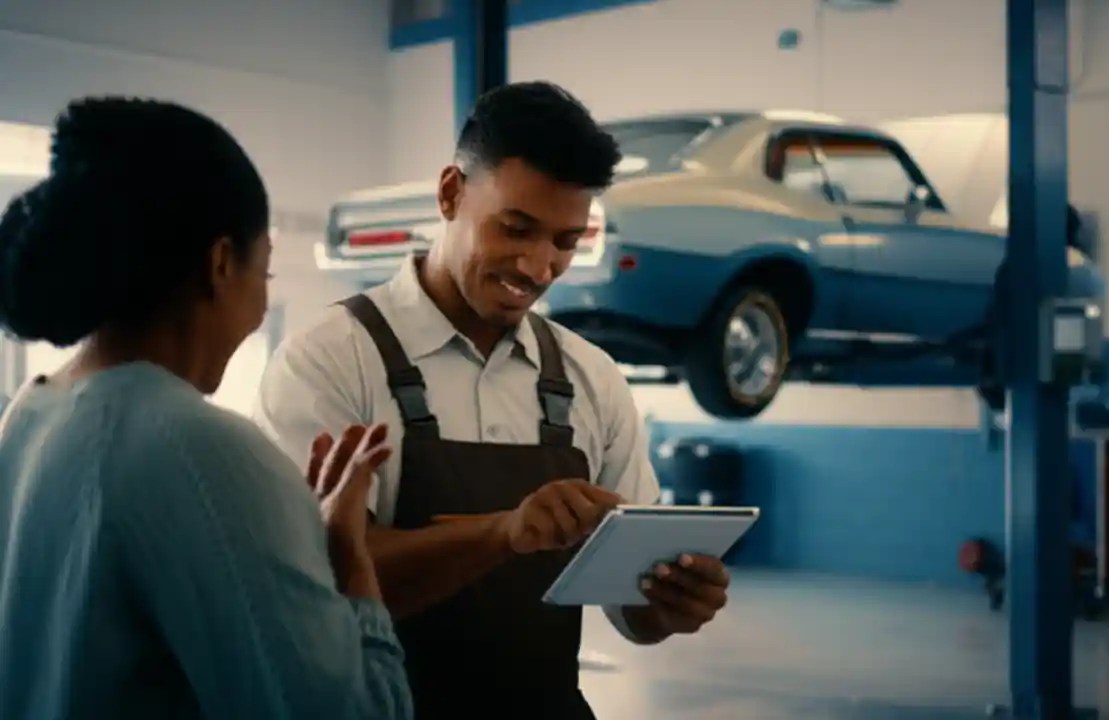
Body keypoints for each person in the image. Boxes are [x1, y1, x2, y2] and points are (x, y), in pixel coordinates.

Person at [253, 81, 732, 718]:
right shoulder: (331, 363)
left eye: (565, 242)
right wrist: (505, 532)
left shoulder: (592, 378)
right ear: (451, 192)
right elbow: (315, 588)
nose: (537, 267)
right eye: (516, 229)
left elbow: (634, 616)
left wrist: (672, 600)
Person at [0, 97, 412, 720]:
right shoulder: (197, 445)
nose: (258, 308)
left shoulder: (27, 421)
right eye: (265, 272)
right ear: (221, 264)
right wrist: (348, 559)